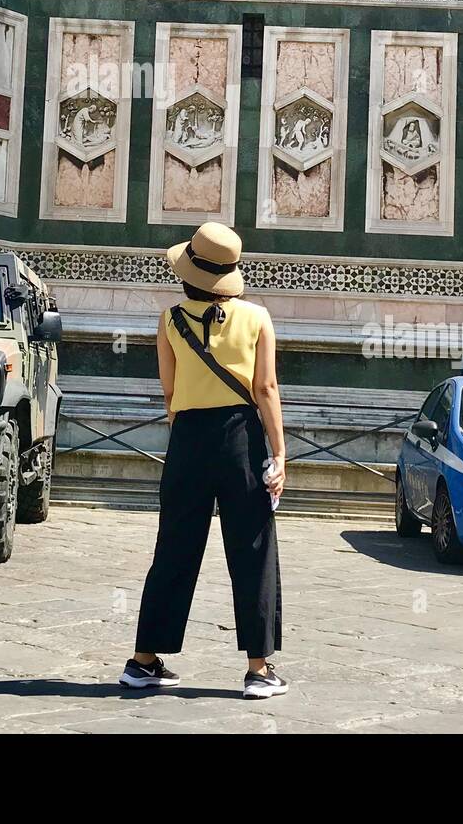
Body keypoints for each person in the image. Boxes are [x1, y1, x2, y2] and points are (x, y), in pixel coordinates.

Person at [119, 223, 288, 700]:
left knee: (174, 547)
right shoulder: (257, 318)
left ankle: (144, 660)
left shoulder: (169, 319)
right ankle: (258, 669)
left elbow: (170, 394)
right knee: (253, 549)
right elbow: (266, 389)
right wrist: (279, 453)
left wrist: (189, 439)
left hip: (189, 437)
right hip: (242, 438)